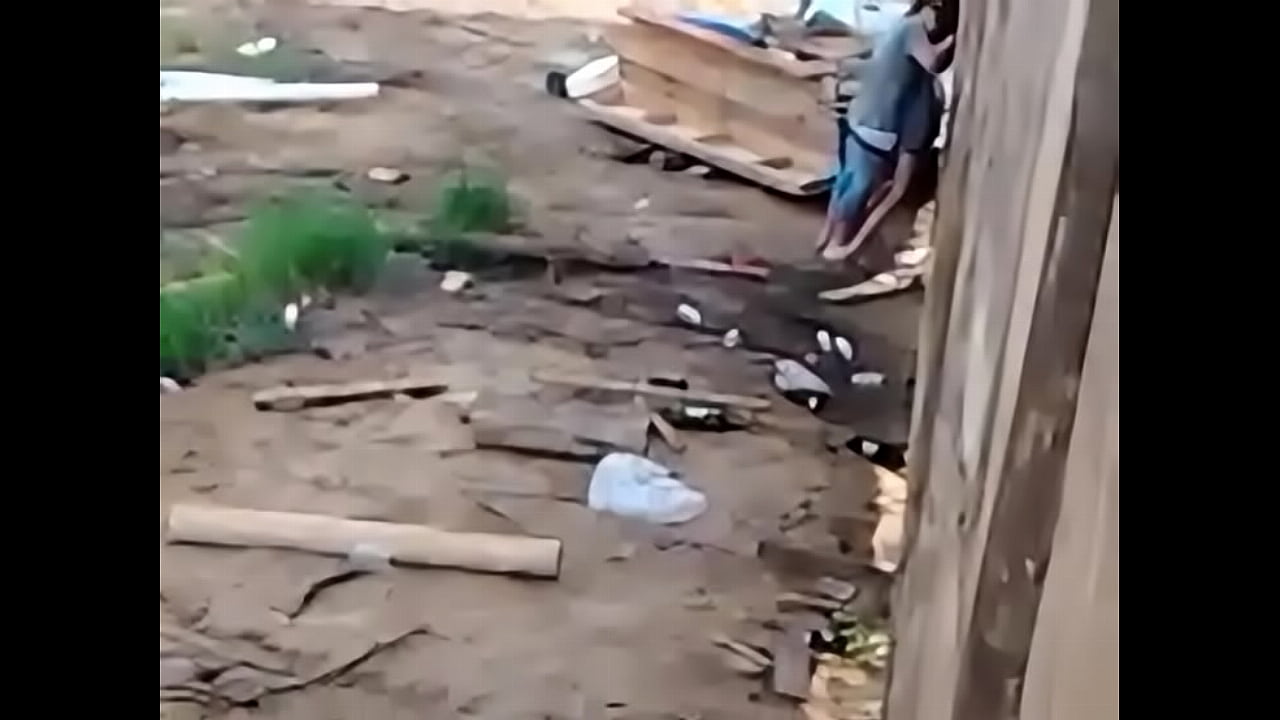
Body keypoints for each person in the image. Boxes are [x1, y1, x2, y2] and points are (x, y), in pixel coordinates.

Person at [814, 0, 955, 260]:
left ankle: (832, 241)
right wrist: (953, 41)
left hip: (867, 121)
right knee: (868, 190)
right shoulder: (913, 31)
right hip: (879, 129)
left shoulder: (901, 29)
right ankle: (840, 246)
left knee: (850, 185)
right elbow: (934, 63)